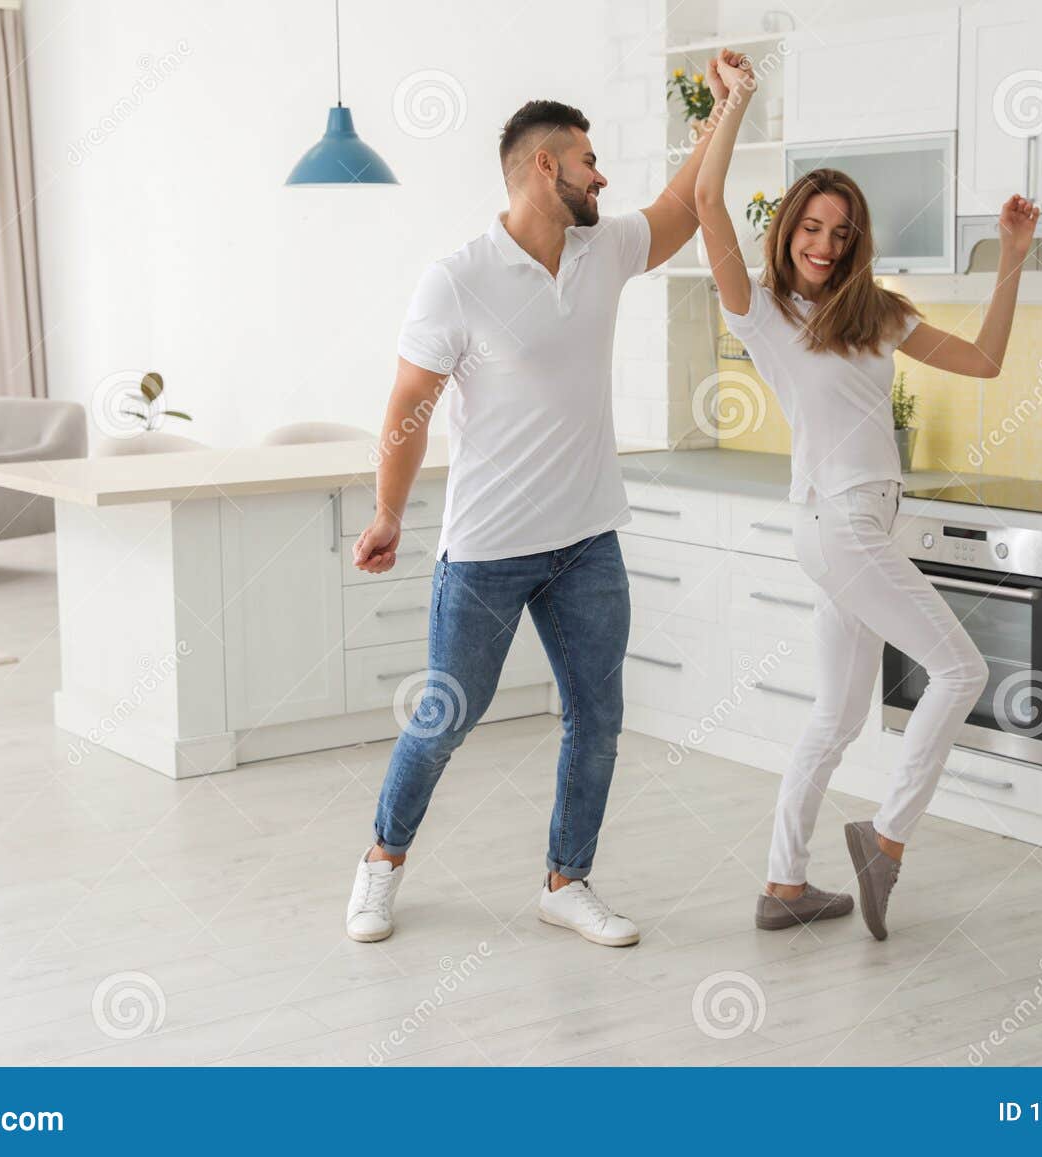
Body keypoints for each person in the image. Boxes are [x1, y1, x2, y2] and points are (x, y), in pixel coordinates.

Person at [345, 58, 745, 947]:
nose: (603, 176)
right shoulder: (458, 278)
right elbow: (409, 408)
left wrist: (727, 109)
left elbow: (685, 205)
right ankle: (381, 862)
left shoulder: (604, 250)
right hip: (487, 549)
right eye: (589, 161)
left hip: (587, 541)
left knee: (598, 716)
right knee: (445, 720)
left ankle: (568, 880)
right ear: (544, 169)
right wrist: (388, 513)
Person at [695, 54, 1039, 938]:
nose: (823, 243)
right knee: (962, 670)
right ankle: (885, 843)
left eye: (840, 232)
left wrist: (1012, 260)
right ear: (788, 232)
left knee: (836, 716)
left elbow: (987, 360)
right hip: (838, 521)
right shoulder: (764, 314)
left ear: (856, 242)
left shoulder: (876, 313)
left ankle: (783, 885)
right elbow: (706, 204)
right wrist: (735, 101)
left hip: (856, 522)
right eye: (811, 226)